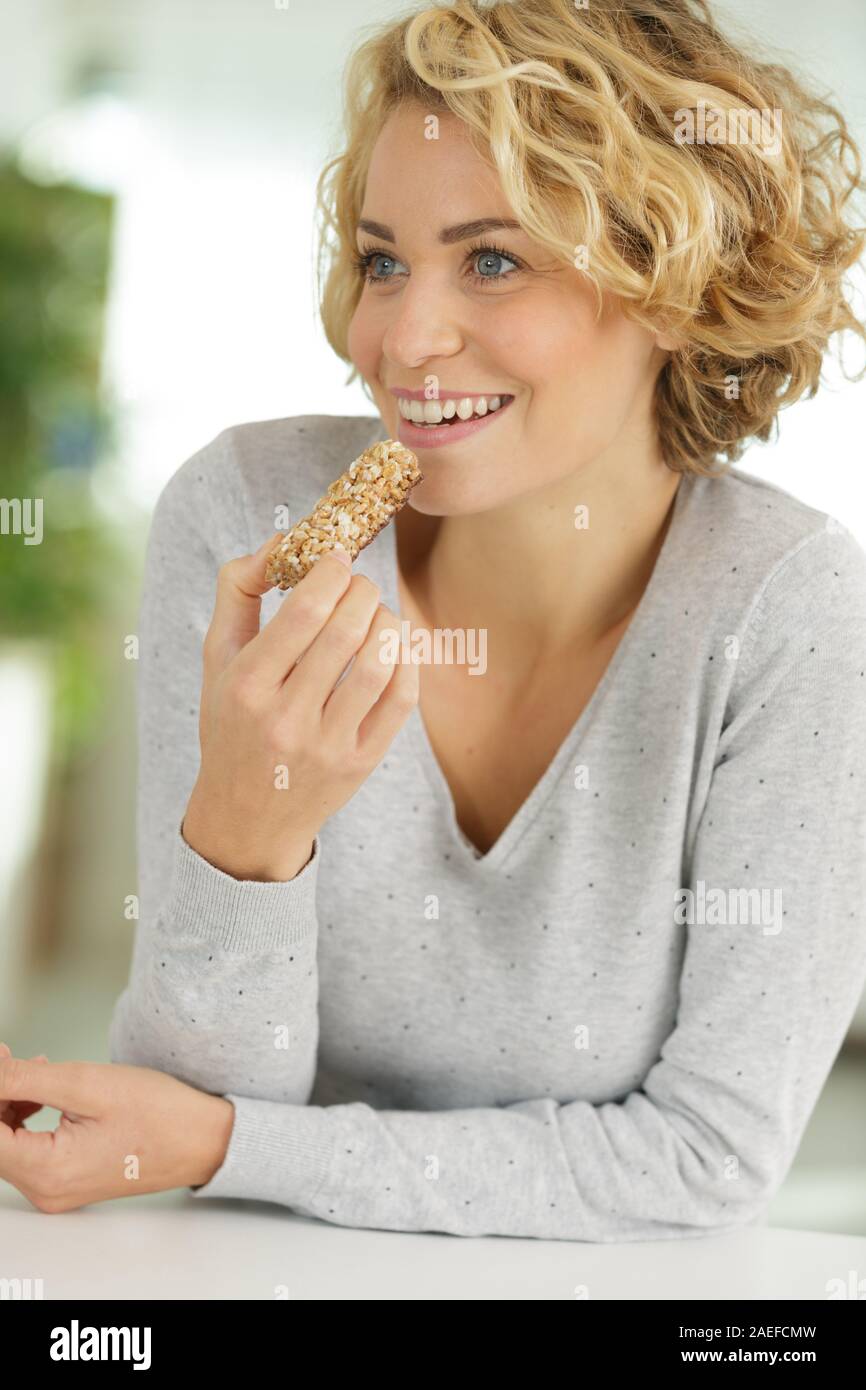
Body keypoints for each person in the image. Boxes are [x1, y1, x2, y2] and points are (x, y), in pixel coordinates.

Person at [2, 0, 866, 1240]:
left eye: (494, 259)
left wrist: (230, 1146)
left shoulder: (789, 611)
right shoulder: (251, 516)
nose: (401, 340)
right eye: (382, 258)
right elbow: (190, 1106)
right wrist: (248, 830)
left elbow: (705, 1160)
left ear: (673, 285)